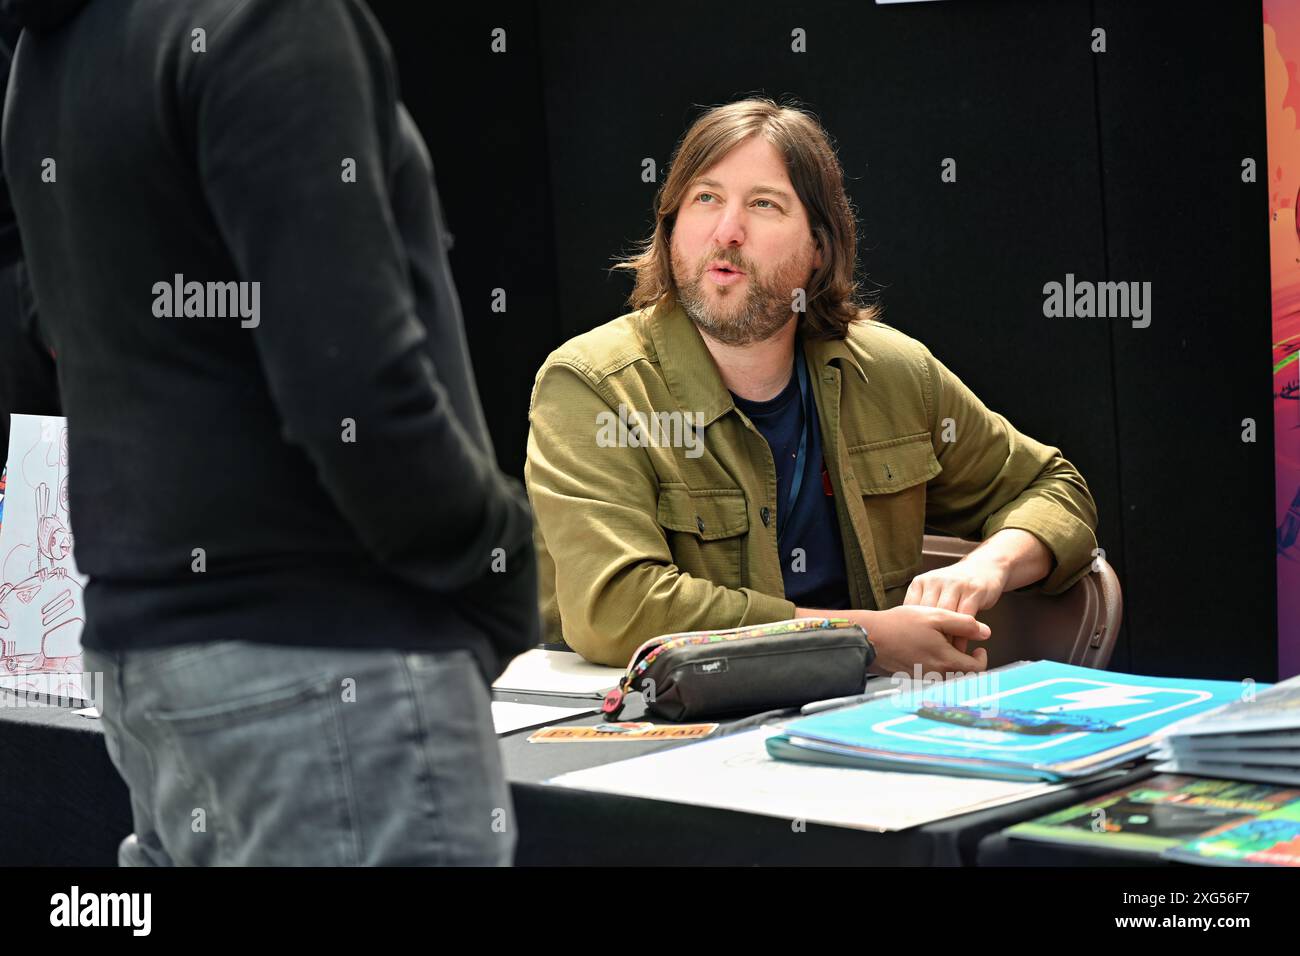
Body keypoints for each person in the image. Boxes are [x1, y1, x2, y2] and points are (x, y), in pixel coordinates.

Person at [3, 0, 538, 865]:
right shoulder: (269, 19)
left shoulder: (53, 47)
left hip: (156, 658)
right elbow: (356, 386)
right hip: (330, 664)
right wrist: (496, 560)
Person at [526, 97, 1099, 672]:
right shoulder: (594, 385)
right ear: (672, 225)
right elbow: (618, 611)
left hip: (860, 719)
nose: (727, 231)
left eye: (764, 204)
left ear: (819, 248)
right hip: (654, 731)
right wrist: (865, 639)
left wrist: (986, 566)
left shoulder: (892, 372)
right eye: (706, 198)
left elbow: (1055, 490)